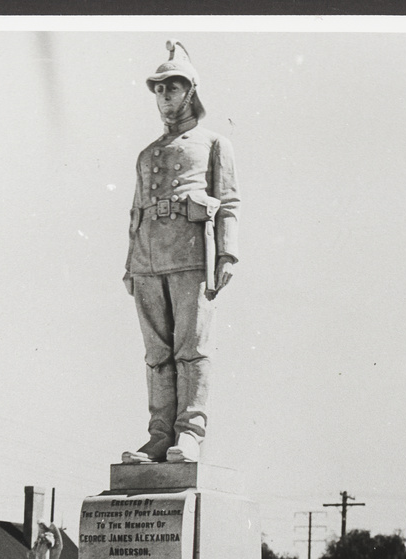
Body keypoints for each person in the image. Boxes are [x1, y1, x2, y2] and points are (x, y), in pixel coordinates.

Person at [122, 41, 240, 465]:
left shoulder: (213, 143)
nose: (165, 95)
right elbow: (135, 210)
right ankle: (159, 435)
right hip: (148, 260)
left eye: (173, 86)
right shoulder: (146, 153)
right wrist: (130, 265)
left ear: (191, 91)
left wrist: (227, 254)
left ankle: (189, 432)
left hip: (192, 254)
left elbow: (228, 202)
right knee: (157, 353)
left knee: (191, 348)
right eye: (159, 88)